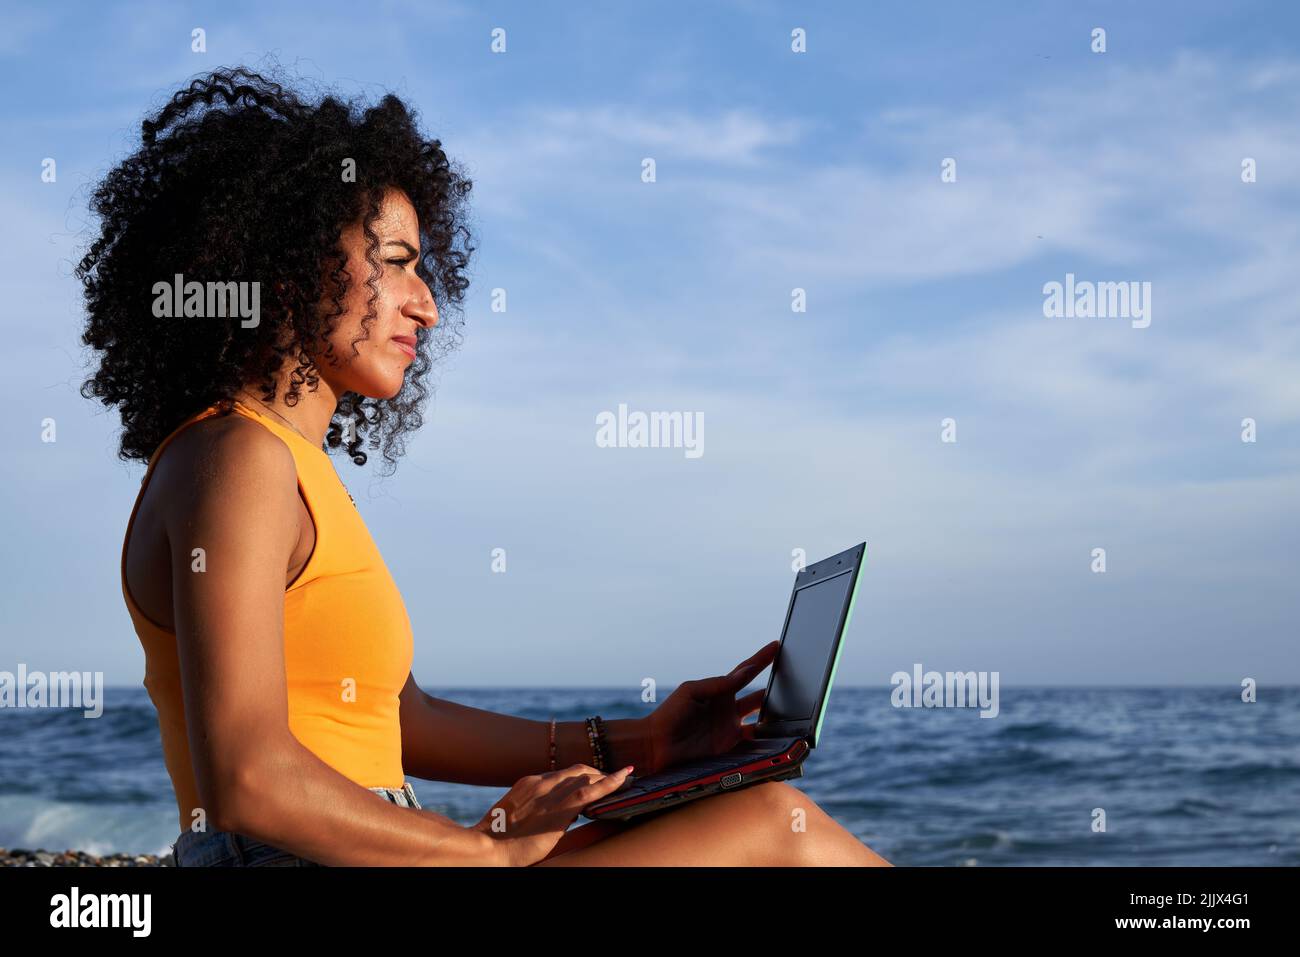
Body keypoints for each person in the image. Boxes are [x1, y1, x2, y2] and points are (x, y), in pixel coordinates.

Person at [79, 66, 891, 867]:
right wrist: (482, 854)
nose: (427, 302)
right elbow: (249, 778)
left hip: (363, 849)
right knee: (777, 828)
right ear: (288, 262)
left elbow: (399, 719)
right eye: (395, 260)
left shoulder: (284, 462)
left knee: (719, 817)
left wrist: (639, 741)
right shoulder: (238, 457)